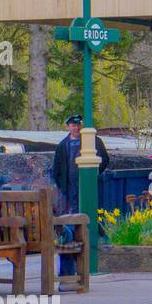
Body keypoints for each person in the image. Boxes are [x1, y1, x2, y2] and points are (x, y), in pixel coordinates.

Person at [51, 115, 110, 286]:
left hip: (85, 186)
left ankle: (94, 246)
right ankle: (72, 269)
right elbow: (57, 168)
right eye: (72, 125)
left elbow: (105, 159)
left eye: (78, 125)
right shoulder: (63, 145)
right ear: (68, 126)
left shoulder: (94, 142)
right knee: (71, 220)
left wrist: (93, 174)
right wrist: (61, 186)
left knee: (84, 218)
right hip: (69, 189)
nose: (75, 128)